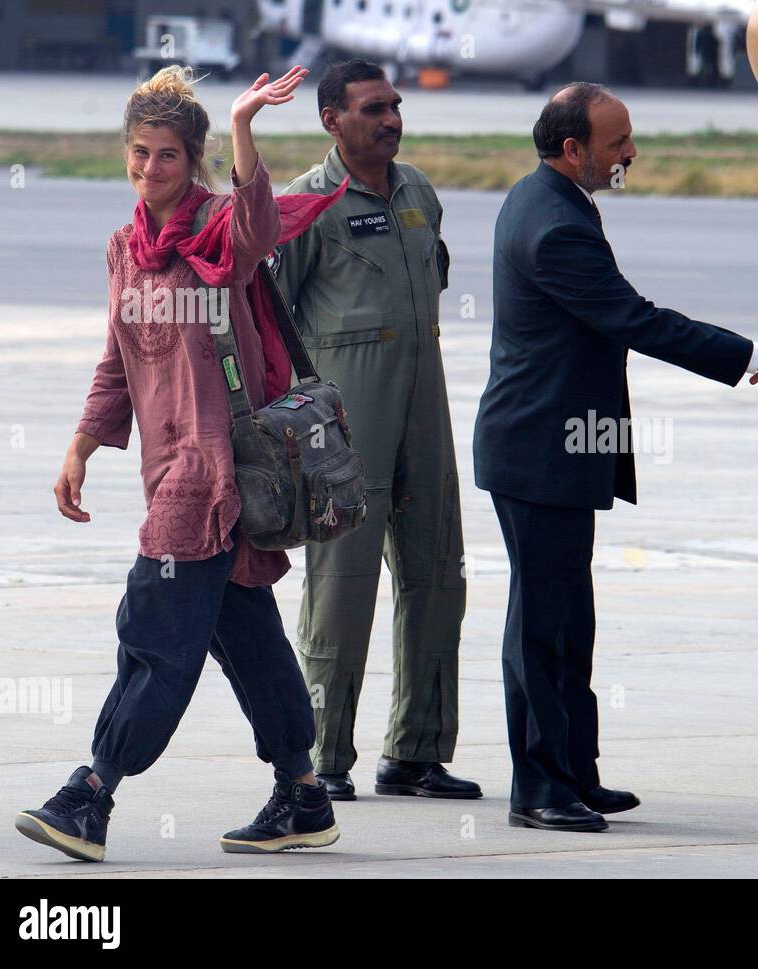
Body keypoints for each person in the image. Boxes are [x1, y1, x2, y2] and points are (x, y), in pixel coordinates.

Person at [473, 82, 758, 832]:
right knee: (541, 625)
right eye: (618, 142)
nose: (632, 153)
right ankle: (538, 787)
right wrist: (751, 355)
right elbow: (634, 318)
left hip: (558, 447)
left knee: (570, 618)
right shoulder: (556, 225)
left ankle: (573, 769)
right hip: (541, 449)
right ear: (573, 150)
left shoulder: (545, 196)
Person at [15, 65, 342, 862]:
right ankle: (302, 790)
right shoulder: (126, 247)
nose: (150, 169)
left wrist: (242, 129)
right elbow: (117, 362)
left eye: (167, 156)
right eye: (138, 153)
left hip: (215, 474)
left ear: (193, 161)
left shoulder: (218, 235)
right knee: (247, 636)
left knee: (154, 634)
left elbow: (259, 227)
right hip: (167, 470)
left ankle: (92, 791)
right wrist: (82, 445)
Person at [274, 59, 479, 802]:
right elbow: (271, 316)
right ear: (332, 119)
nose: (392, 119)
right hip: (345, 424)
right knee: (342, 586)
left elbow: (433, 282)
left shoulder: (419, 191)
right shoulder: (304, 204)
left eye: (394, 106)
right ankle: (321, 760)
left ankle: (417, 751)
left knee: (437, 575)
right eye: (372, 109)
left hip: (426, 410)